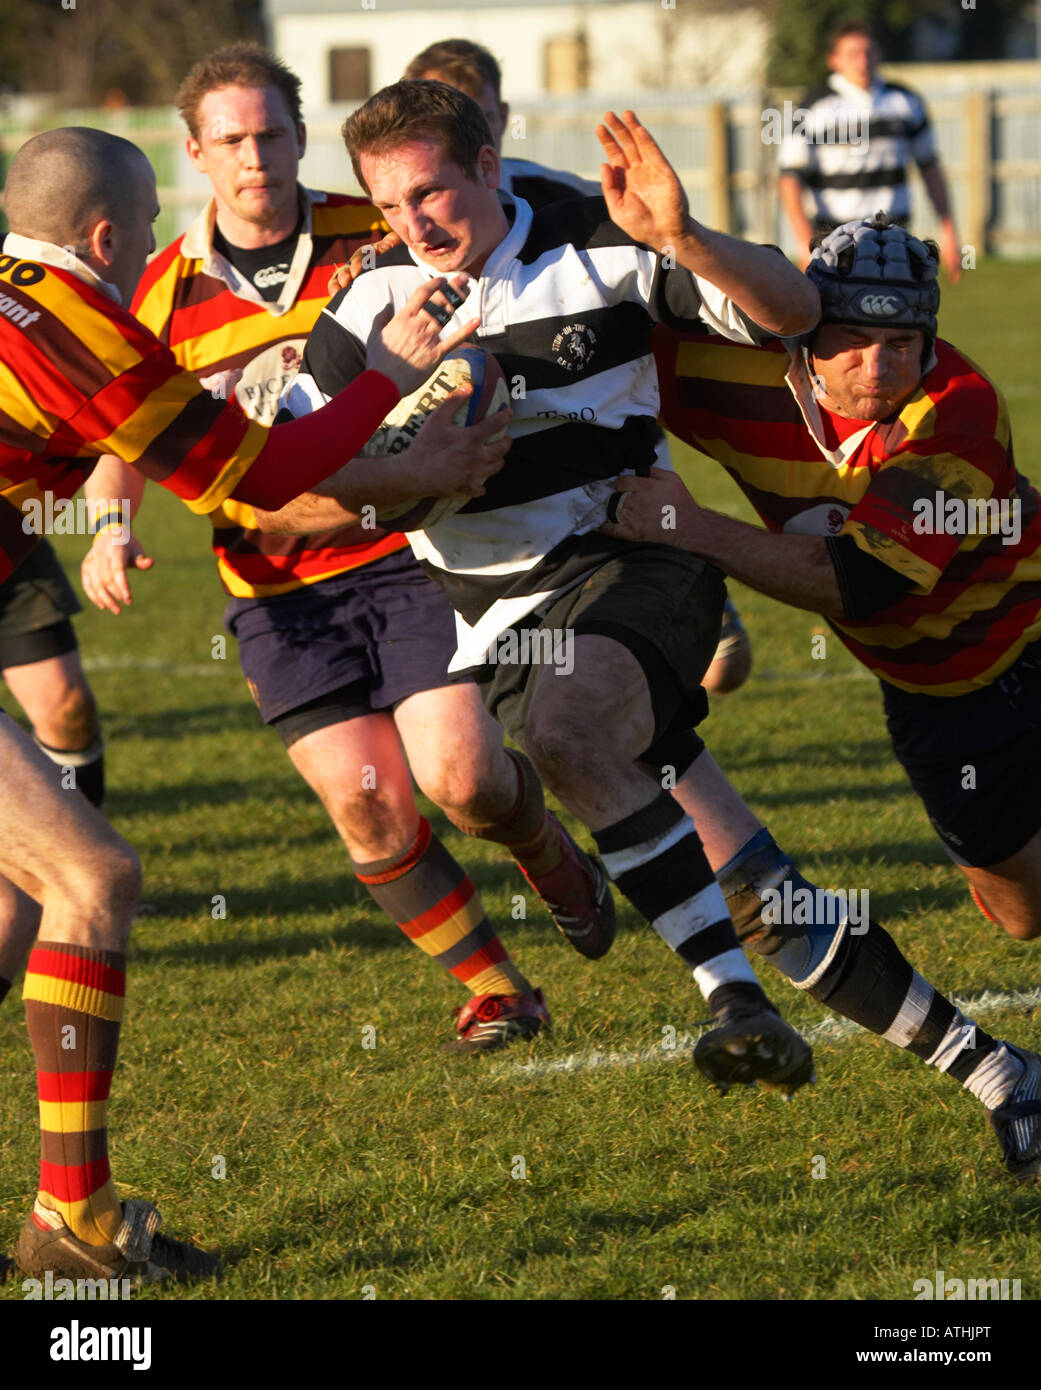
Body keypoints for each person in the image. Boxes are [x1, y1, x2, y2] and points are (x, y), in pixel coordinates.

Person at [0, 121, 495, 1283]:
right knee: (90, 878)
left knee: (21, 909)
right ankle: (73, 1216)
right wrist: (388, 376)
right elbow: (261, 475)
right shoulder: (77, 319)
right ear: (108, 236)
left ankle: (67, 1216)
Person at [286, 80, 823, 1098]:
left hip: (629, 553)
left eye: (432, 193)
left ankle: (733, 997)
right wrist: (407, 473)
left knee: (575, 732)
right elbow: (283, 495)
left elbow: (793, 310)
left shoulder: (594, 243)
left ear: (489, 165)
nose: (414, 224)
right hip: (496, 615)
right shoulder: (363, 311)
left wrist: (687, 235)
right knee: (576, 761)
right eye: (389, 206)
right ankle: (969, 1059)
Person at [81, 44, 617, 1058]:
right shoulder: (158, 292)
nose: (257, 158)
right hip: (278, 590)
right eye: (232, 140)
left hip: (407, 554)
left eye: (273, 133)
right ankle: (497, 985)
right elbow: (126, 435)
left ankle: (550, 854)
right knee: (368, 809)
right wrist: (111, 522)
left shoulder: (375, 233)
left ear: (298, 135)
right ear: (195, 150)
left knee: (463, 777)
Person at [601, 215, 1041, 1176]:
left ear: (929, 340)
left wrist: (693, 531)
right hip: (934, 695)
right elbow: (600, 338)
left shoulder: (957, 409)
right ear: (800, 331)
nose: (875, 367)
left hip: (1028, 644)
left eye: (899, 343)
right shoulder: (726, 372)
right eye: (847, 340)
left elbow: (861, 583)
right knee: (1017, 912)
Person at [402, 36, 752, 695]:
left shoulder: (561, 198)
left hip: (592, 415)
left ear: (499, 118)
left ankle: (665, 552)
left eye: (470, 113)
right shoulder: (400, 229)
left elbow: (652, 259)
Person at [778, 20, 961, 281]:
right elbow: (789, 179)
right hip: (834, 245)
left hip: (895, 242)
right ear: (834, 60)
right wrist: (803, 241)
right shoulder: (814, 107)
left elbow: (929, 167)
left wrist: (950, 232)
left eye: (869, 52)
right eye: (852, 54)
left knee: (901, 317)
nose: (862, 61)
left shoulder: (905, 102)